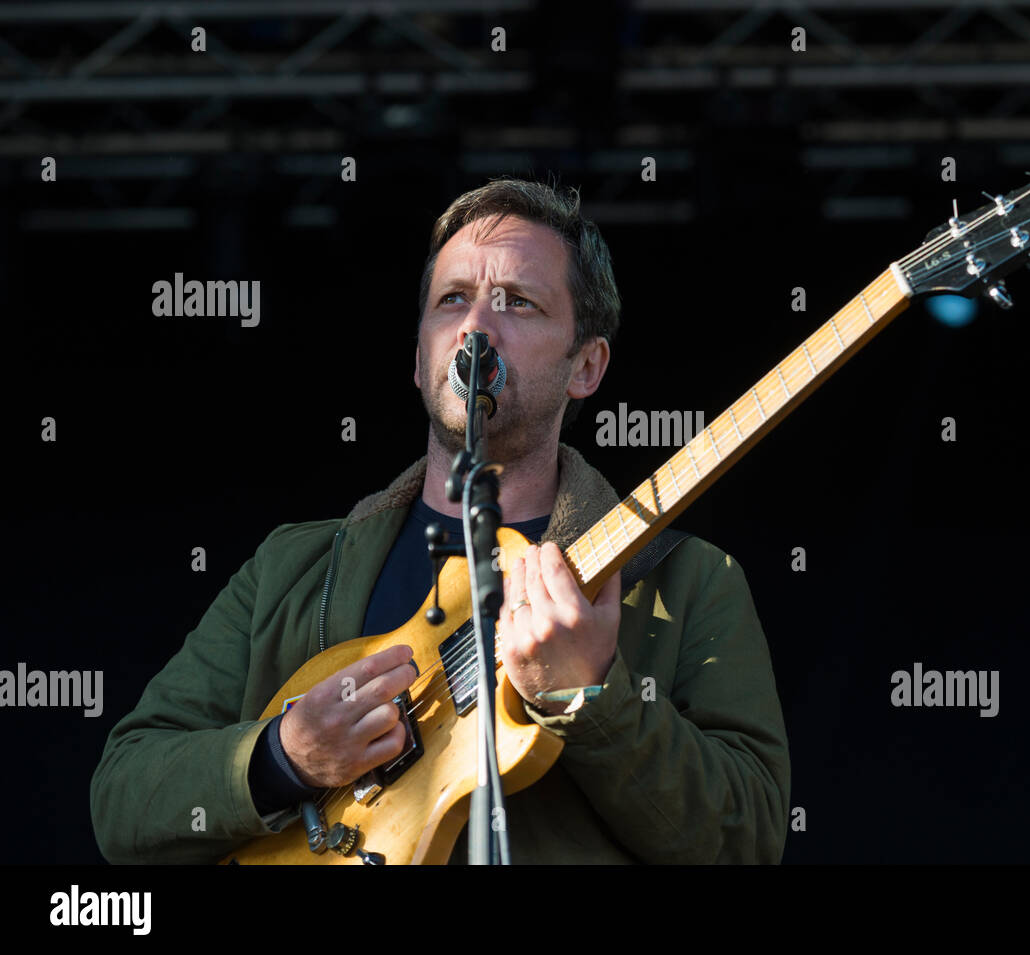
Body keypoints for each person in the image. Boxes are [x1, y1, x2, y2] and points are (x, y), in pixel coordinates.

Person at [90, 178, 791, 864]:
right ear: (420, 360)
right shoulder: (291, 568)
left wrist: (587, 695)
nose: (476, 327)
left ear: (587, 365)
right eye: (452, 299)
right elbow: (123, 796)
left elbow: (748, 838)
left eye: (517, 303)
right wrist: (283, 754)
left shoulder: (690, 579)